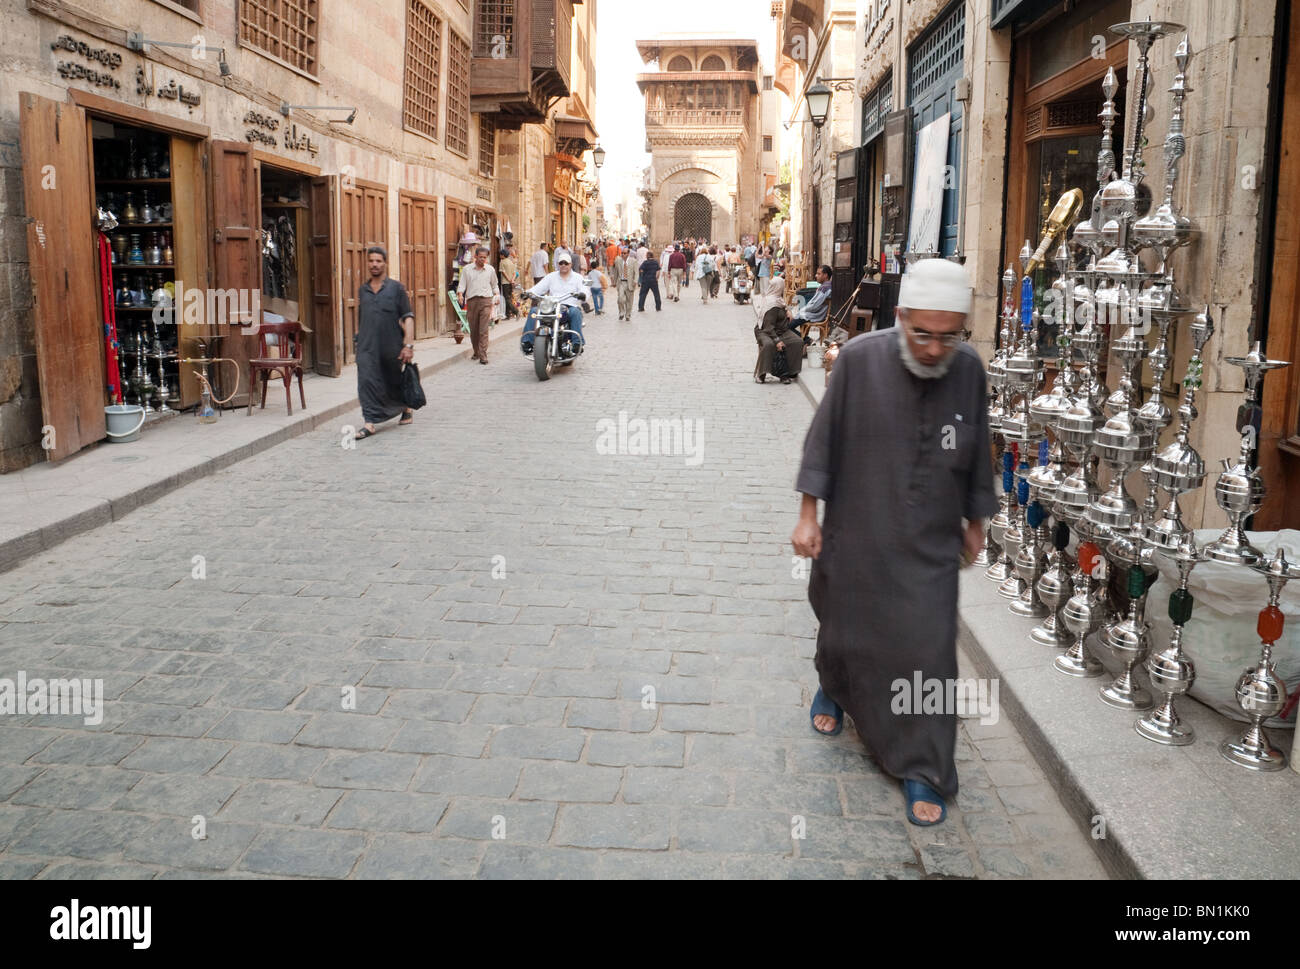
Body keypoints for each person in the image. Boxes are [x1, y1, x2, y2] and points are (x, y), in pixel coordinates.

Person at [790, 258, 995, 828]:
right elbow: (822, 440)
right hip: (859, 522)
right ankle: (834, 688)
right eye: (921, 333)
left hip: (932, 534)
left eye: (947, 336)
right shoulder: (858, 359)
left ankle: (923, 766)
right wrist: (809, 515)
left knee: (930, 645)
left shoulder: (968, 368)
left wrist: (977, 519)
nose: (933, 349)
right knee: (845, 623)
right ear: (899, 316)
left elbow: (979, 445)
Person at [353, 246, 415, 439]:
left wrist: (408, 345)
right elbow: (362, 318)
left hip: (391, 345)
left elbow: (408, 317)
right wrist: (357, 339)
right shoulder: (363, 290)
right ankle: (369, 422)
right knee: (366, 382)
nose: (374, 264)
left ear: (385, 263)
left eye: (378, 261)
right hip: (366, 346)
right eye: (371, 261)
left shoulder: (396, 288)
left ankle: (405, 407)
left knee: (391, 380)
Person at [520, 252, 590, 354]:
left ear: (570, 264)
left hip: (570, 306)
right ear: (558, 264)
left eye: (566, 263)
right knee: (534, 311)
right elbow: (539, 288)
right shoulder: (551, 276)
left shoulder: (578, 277)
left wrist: (583, 294)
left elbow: (586, 289)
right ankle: (527, 342)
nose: (563, 265)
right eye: (561, 263)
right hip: (552, 307)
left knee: (576, 312)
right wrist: (527, 293)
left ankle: (577, 343)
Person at [457, 245, 500, 366]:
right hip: (472, 302)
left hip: (486, 301)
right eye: (480, 257)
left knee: (483, 329)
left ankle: (483, 355)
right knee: (474, 330)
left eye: (484, 258)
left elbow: (495, 284)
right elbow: (462, 284)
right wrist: (460, 295)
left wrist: (496, 295)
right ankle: (476, 351)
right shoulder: (467, 269)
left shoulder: (490, 270)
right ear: (475, 256)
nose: (482, 260)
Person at [754, 299, 804, 385]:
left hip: (781, 330)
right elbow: (768, 328)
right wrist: (777, 341)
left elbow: (783, 305)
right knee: (769, 344)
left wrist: (787, 310)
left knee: (797, 341)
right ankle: (761, 373)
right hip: (765, 331)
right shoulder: (770, 304)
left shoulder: (779, 301)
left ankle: (787, 373)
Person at [793, 265, 833, 330]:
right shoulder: (826, 286)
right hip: (815, 313)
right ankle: (805, 339)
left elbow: (814, 306)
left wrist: (802, 310)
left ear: (825, 275)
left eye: (818, 274)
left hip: (816, 314)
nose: (816, 275)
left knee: (788, 326)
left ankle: (806, 339)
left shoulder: (824, 288)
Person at [614, 244, 636, 321]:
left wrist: (635, 281)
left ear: (628, 254)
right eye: (622, 253)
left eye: (624, 253)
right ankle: (621, 312)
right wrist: (614, 281)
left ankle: (628, 315)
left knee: (629, 301)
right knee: (620, 299)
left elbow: (636, 273)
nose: (622, 254)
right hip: (621, 282)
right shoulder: (618, 261)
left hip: (630, 283)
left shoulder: (633, 261)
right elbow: (616, 271)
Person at [498, 246, 519, 319]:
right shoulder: (511, 262)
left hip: (505, 283)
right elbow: (514, 273)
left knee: (506, 299)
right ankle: (508, 315)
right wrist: (512, 280)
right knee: (509, 298)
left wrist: (509, 279)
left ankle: (516, 311)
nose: (500, 256)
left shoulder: (502, 262)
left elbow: (503, 272)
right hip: (511, 282)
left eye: (500, 254)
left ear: (503, 255)